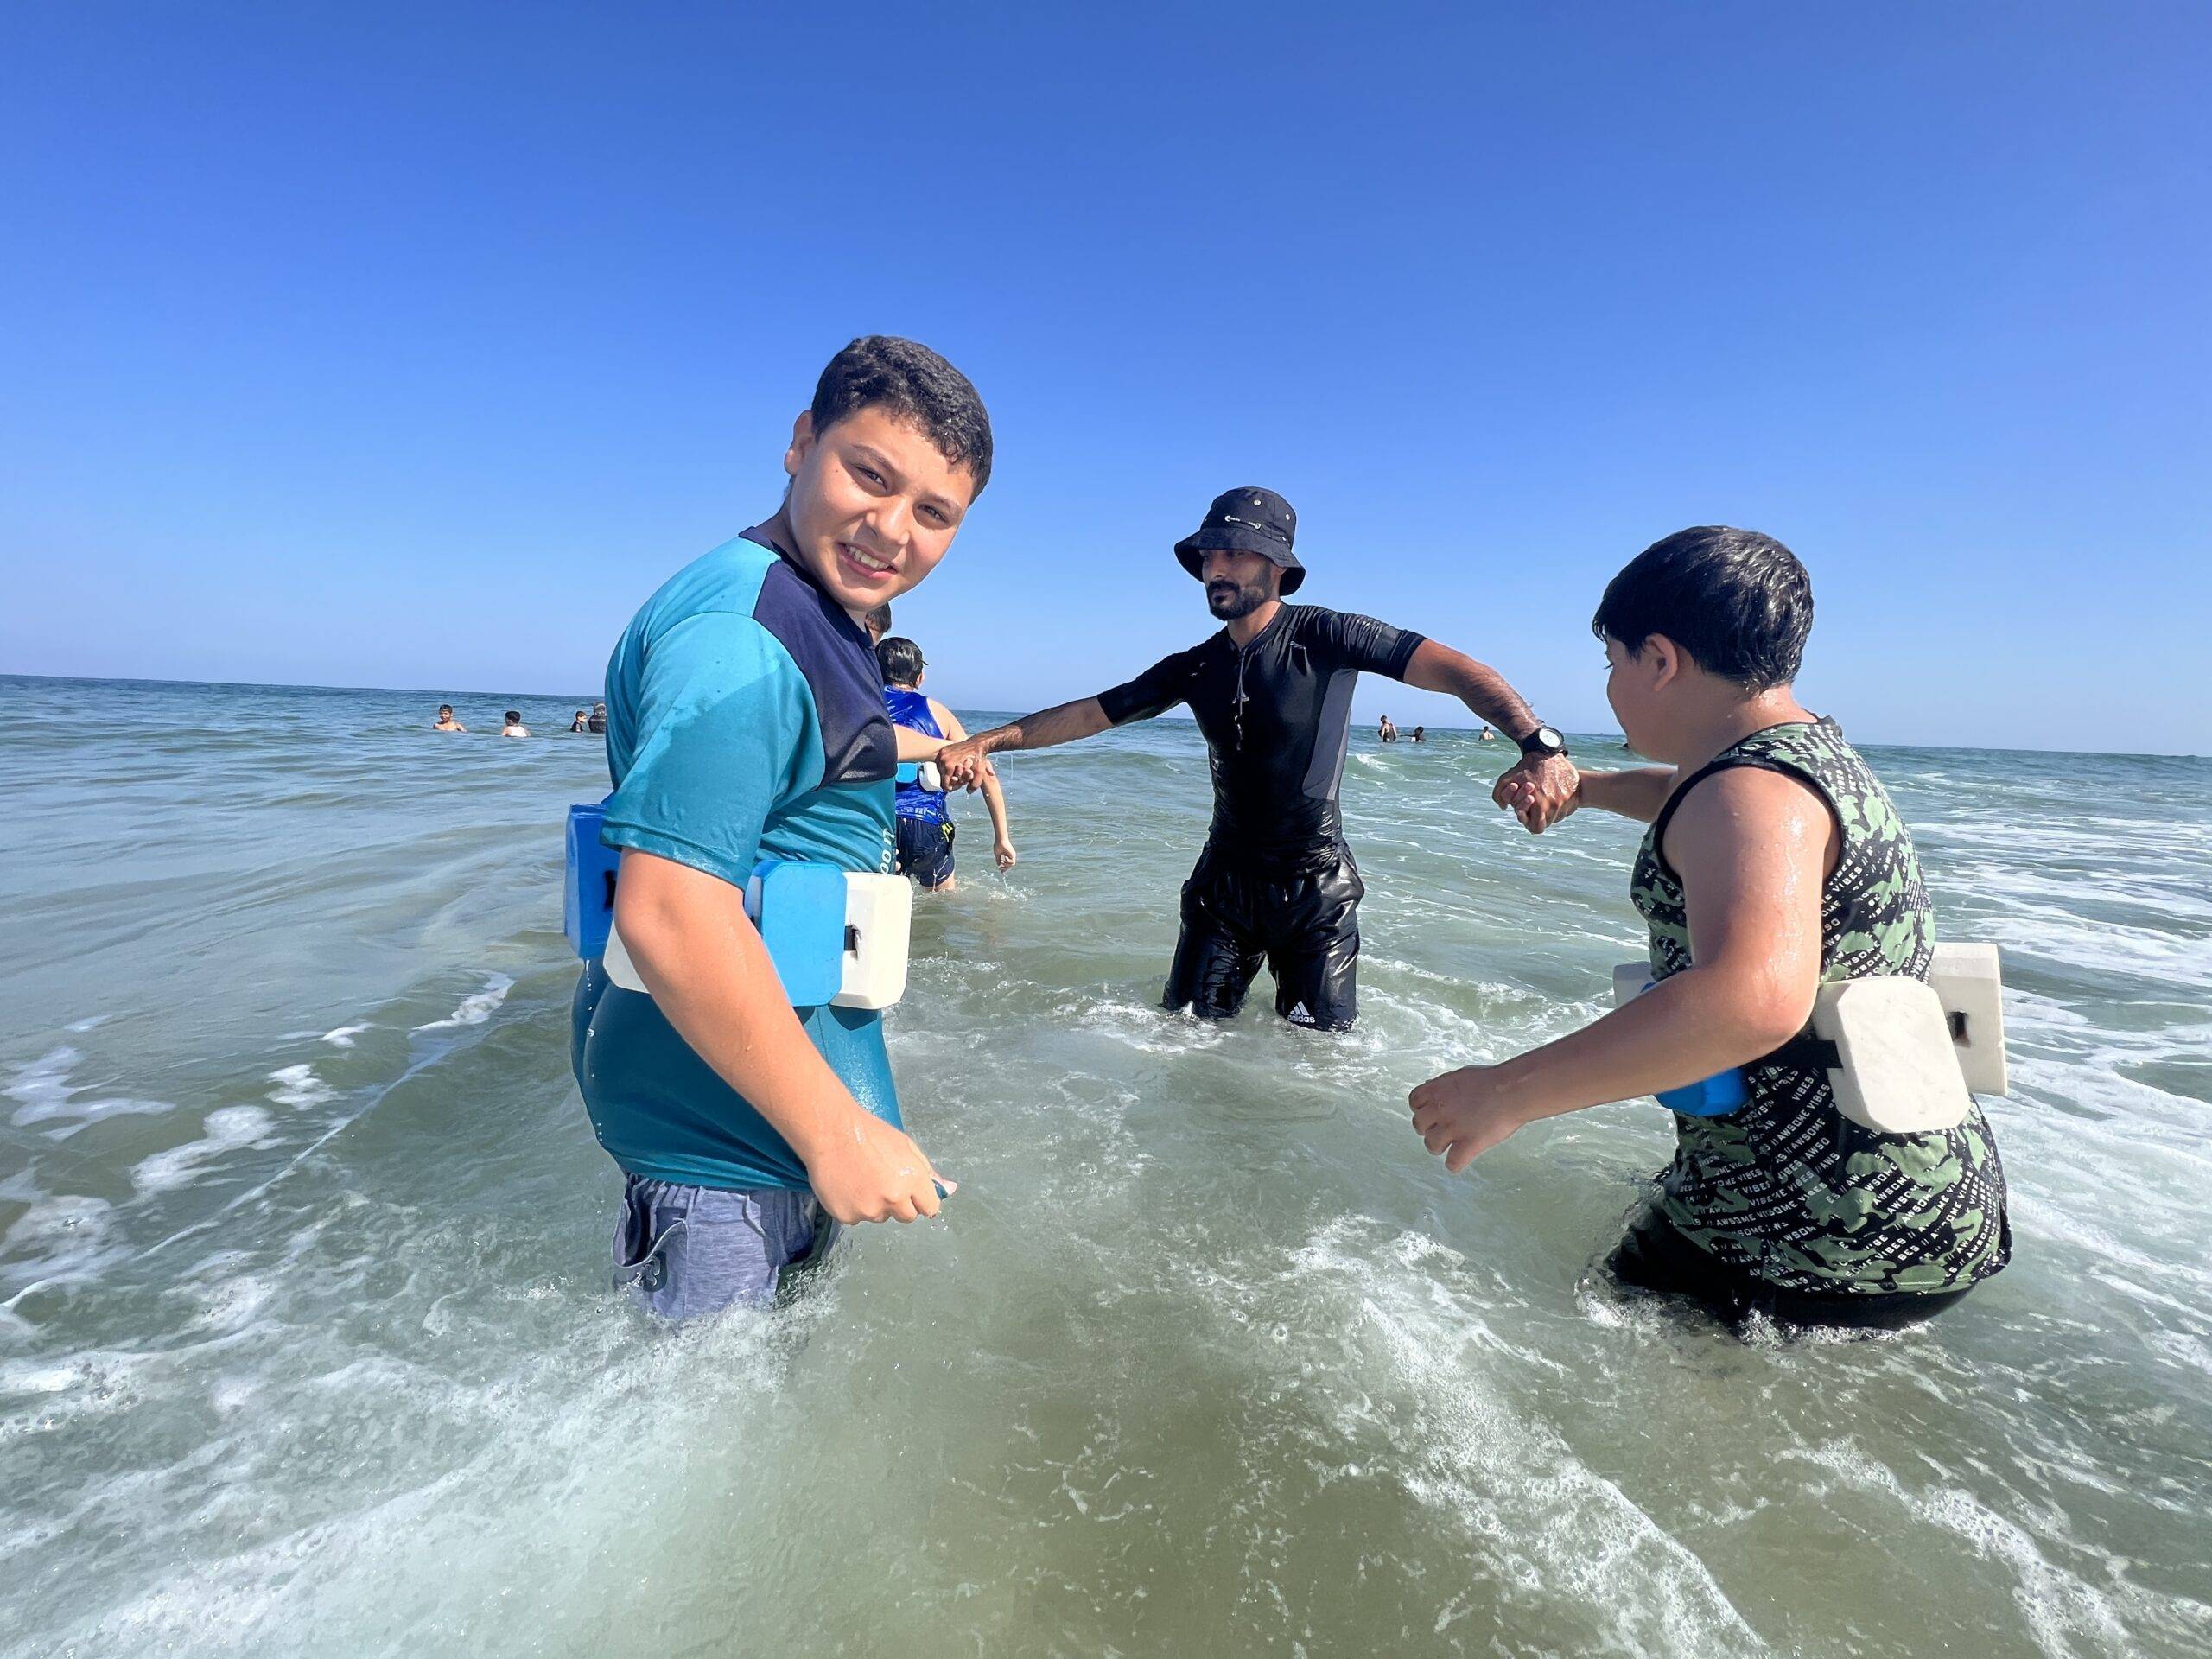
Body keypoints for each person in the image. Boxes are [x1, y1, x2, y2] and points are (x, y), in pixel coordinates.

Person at [1411, 526, 2011, 1331]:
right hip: (1908, 1187)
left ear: (1659, 660)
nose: (1611, 686)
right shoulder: (1802, 759)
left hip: (1810, 1222)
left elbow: (1753, 999)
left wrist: (1506, 1093)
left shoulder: (1750, 793)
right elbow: (1688, 800)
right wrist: (1584, 788)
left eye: (1612, 662)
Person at [572, 335, 992, 1319]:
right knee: (690, 1445)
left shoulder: (820, 613)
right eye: (869, 475)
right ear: (802, 442)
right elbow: (671, 909)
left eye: (935, 513)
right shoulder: (744, 639)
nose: (893, 530)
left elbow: (812, 776)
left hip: (760, 1126)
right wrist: (834, 1134)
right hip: (721, 1151)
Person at [939, 486, 1576, 1031]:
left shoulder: (1329, 636)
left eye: (1234, 552)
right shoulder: (1195, 665)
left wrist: (1537, 745)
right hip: (1223, 888)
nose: (1216, 566)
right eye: (1209, 554)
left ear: (1276, 566)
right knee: (1181, 1040)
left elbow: (1460, 672)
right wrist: (984, 741)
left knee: (1315, 1066)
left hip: (1314, 890)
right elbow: (1090, 713)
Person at [877, 636, 1015, 891]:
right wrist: (1002, 838)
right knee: (942, 904)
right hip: (925, 825)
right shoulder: (937, 712)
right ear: (919, 678)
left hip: (874, 824)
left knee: (878, 904)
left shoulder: (863, 706)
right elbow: (985, 773)